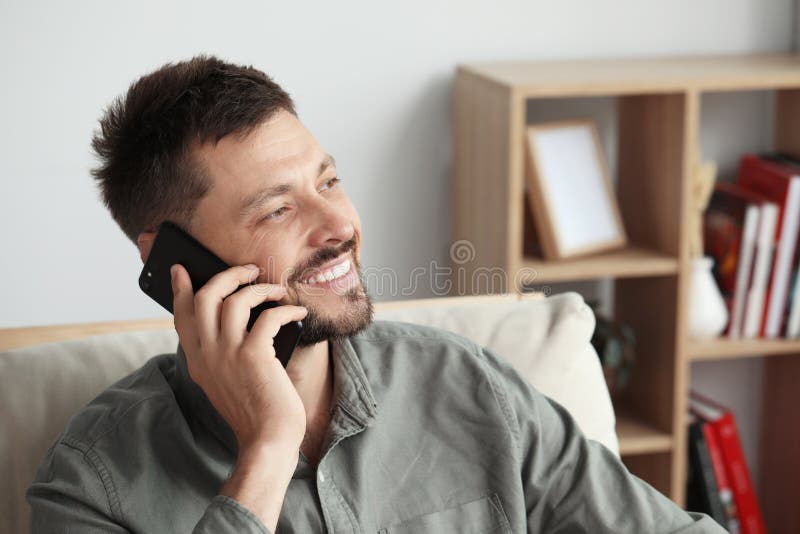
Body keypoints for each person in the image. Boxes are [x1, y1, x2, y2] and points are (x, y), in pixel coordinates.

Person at [26, 55, 725, 534]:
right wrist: (267, 451)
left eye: (328, 182)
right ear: (173, 263)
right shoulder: (95, 481)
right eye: (277, 209)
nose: (340, 227)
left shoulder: (469, 387)